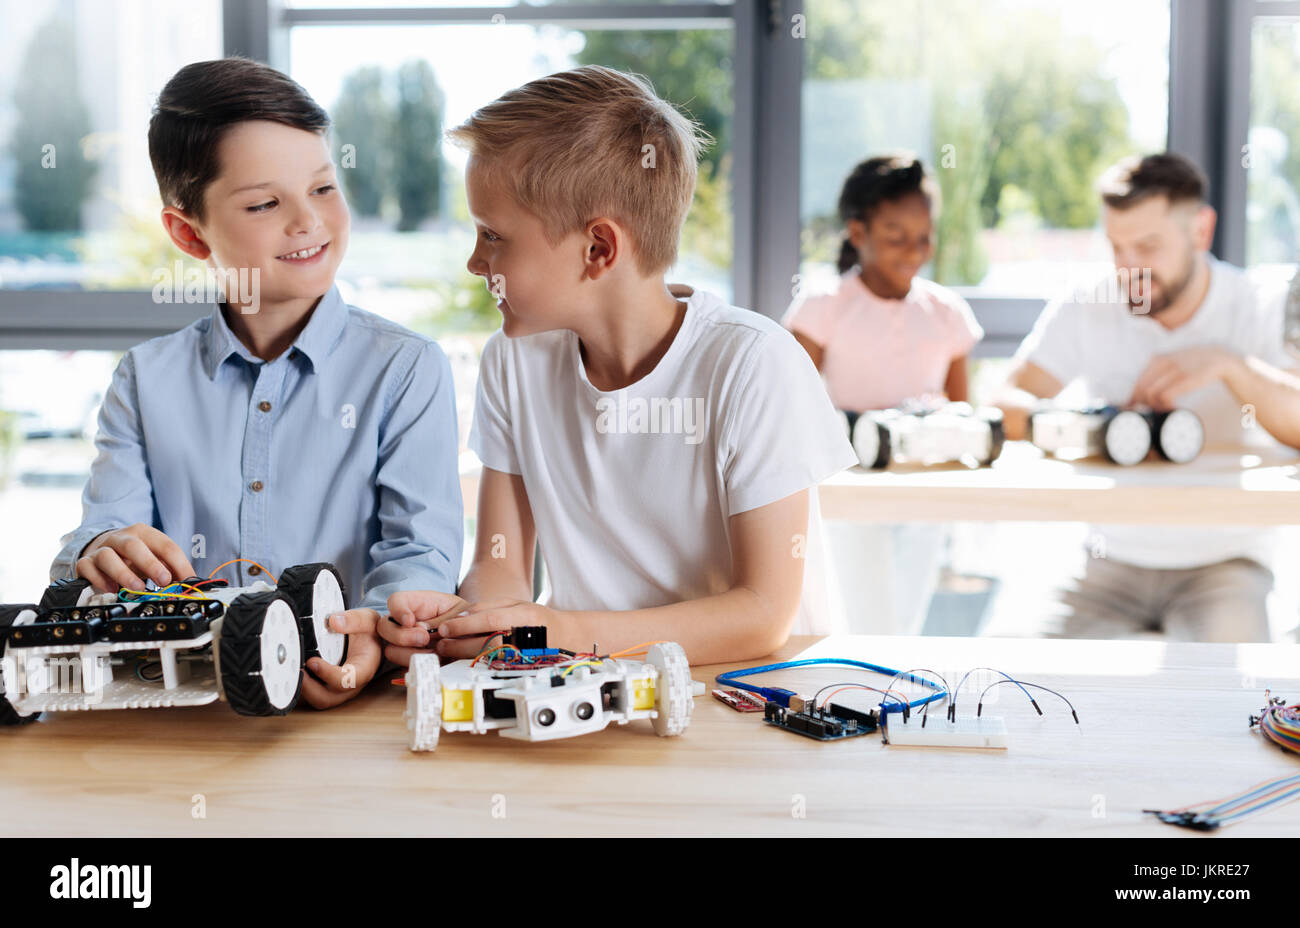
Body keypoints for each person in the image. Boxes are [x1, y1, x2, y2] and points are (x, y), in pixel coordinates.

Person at [379, 66, 856, 666]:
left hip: (750, 693)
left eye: (493, 236)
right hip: (590, 685)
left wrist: (556, 631)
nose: (476, 262)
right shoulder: (514, 360)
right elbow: (500, 564)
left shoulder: (752, 363)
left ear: (598, 249)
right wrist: (466, 622)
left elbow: (762, 616)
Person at [50, 57, 465, 706]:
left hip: (352, 710)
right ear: (189, 233)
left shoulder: (405, 368)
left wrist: (378, 635)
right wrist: (102, 548)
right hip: (191, 711)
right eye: (266, 203)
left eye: (324, 188)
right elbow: (100, 533)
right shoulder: (144, 381)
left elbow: (420, 554)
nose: (309, 222)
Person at [998, 152, 1300, 641]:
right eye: (1117, 248)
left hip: (1224, 563)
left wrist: (1229, 365)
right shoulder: (1090, 301)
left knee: (1229, 704)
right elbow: (1007, 401)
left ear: (1200, 231)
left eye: (1147, 246)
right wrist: (1089, 426)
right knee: (1002, 672)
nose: (1129, 268)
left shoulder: (1253, 304)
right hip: (1106, 559)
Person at [782, 155, 984, 635]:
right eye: (896, 236)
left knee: (905, 623)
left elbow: (962, 414)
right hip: (852, 493)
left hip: (923, 496)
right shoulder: (824, 306)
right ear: (858, 233)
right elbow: (788, 408)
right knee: (867, 620)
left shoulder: (945, 311)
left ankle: (889, 702)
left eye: (924, 237)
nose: (913, 251)